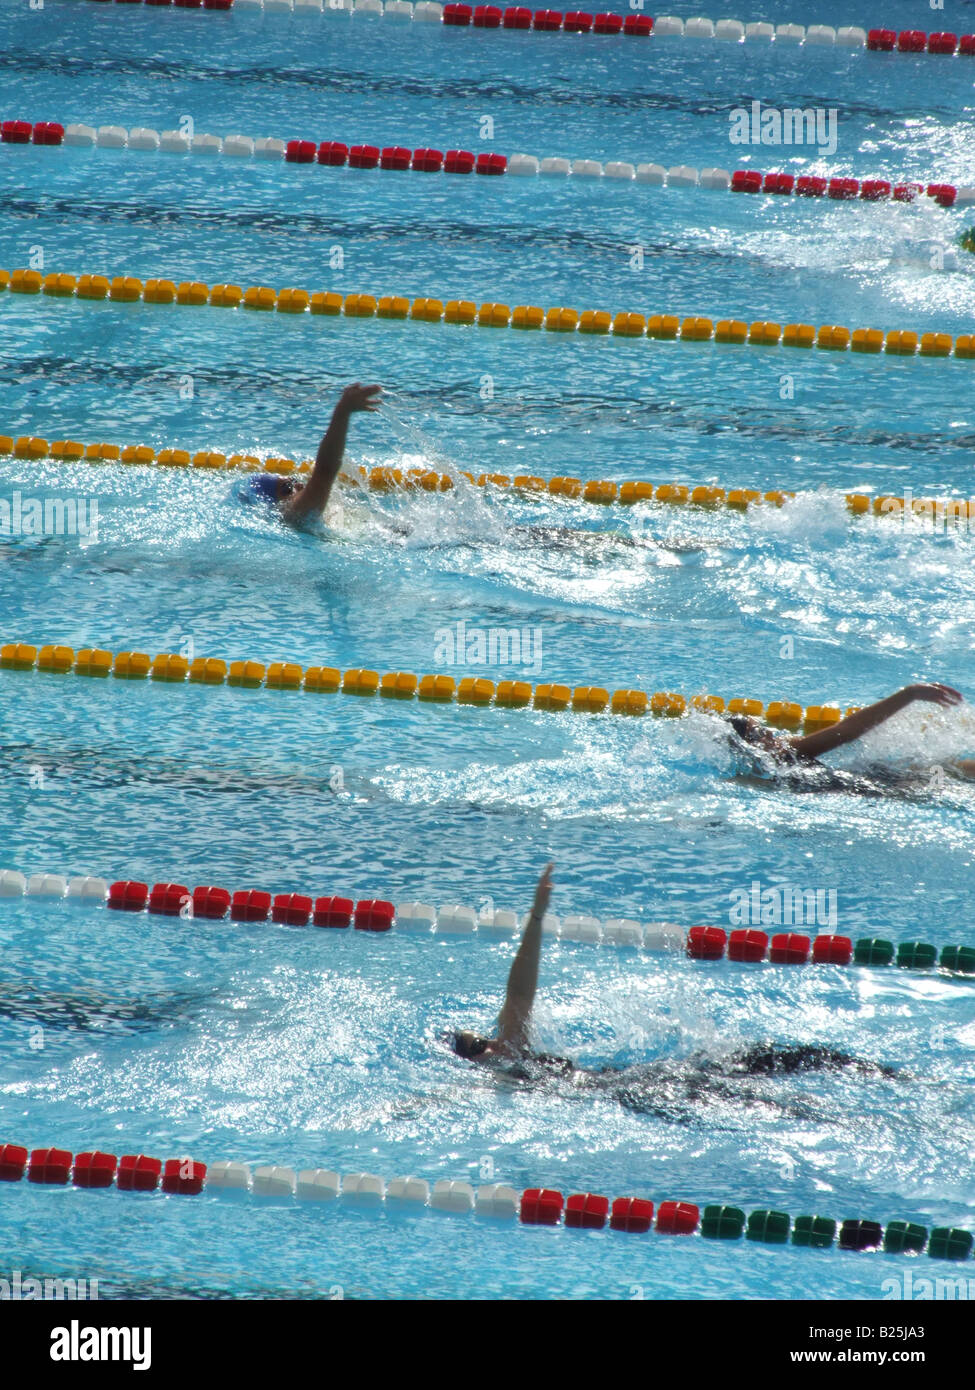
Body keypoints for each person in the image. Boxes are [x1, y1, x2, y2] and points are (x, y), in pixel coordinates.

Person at [722, 682, 975, 784]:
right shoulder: (787, 755)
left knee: (953, 769)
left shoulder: (761, 770)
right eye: (762, 732)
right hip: (881, 786)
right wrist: (910, 694)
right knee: (953, 774)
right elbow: (848, 730)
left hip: (869, 780)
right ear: (754, 745)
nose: (772, 733)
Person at [241, 383, 382, 523]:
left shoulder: (314, 517)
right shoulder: (294, 513)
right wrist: (342, 411)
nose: (300, 486)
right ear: (274, 504)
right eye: (288, 488)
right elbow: (325, 471)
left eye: (294, 481)